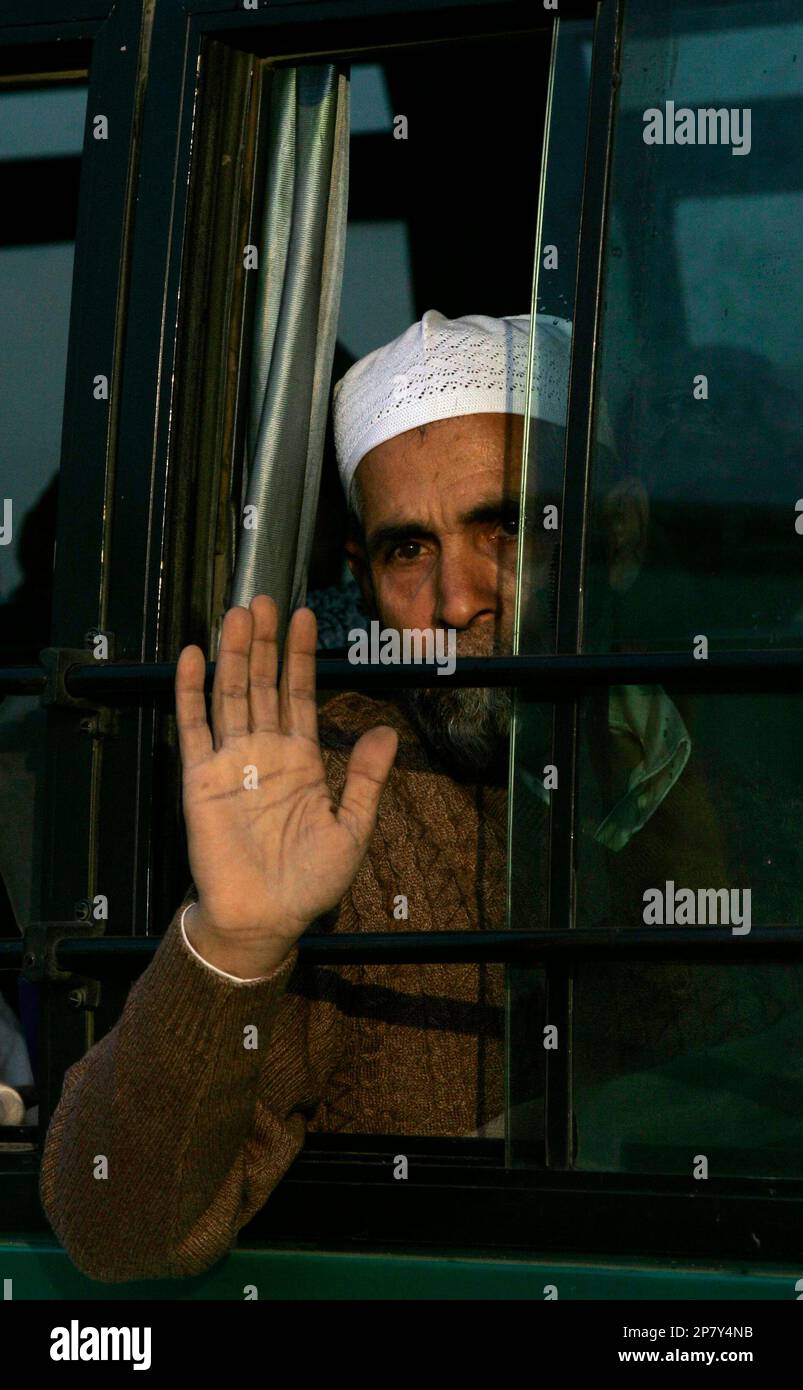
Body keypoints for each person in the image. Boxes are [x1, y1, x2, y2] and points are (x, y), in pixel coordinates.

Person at [39, 311, 725, 1283]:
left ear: (617, 532)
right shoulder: (330, 807)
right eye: (408, 550)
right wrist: (232, 946)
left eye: (506, 527)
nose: (454, 601)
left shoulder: (752, 747)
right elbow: (119, 1229)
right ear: (362, 575)